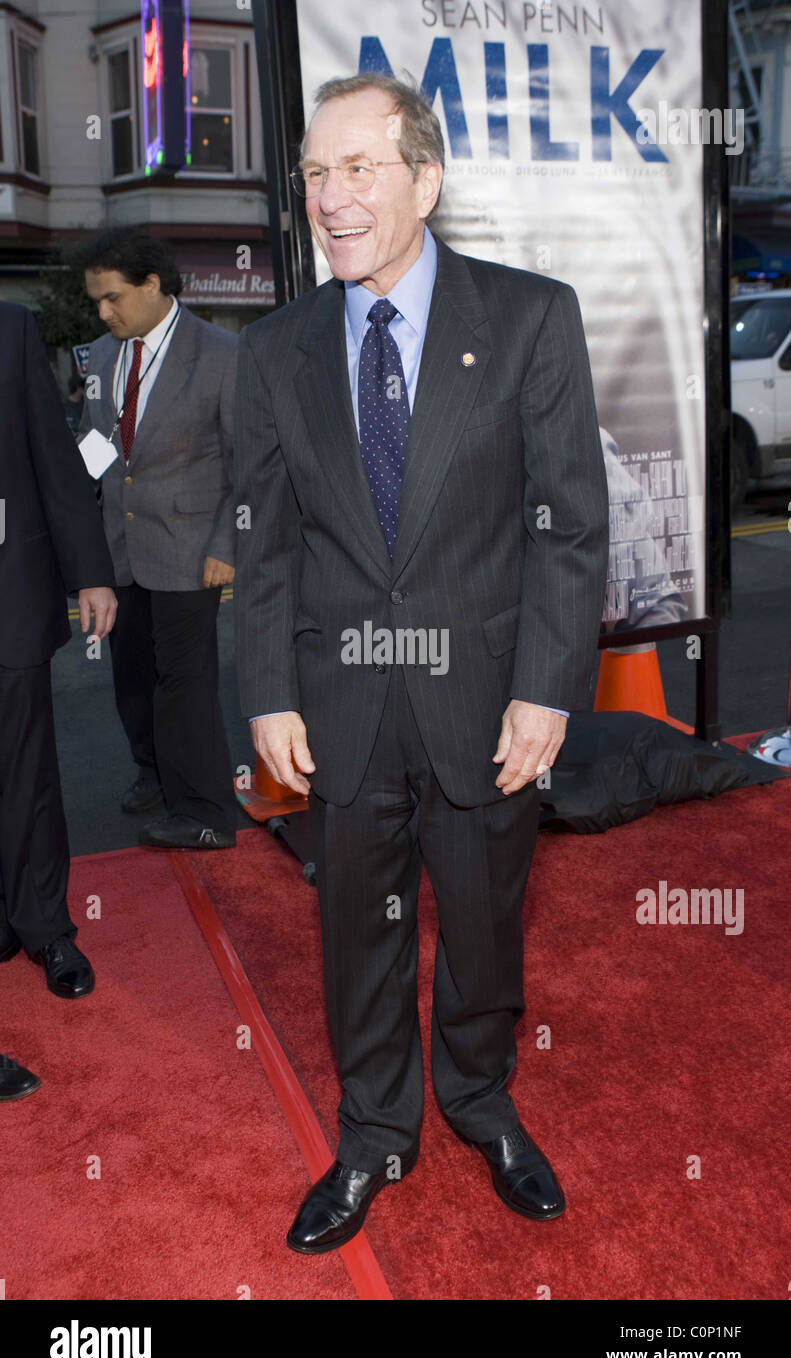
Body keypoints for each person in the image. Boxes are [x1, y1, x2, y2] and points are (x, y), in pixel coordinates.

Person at [233, 74, 609, 1253]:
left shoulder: (529, 317)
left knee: (487, 927)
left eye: (357, 169)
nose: (329, 199)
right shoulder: (274, 349)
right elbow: (261, 545)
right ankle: (371, 1132)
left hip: (486, 700)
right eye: (312, 172)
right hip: (338, 700)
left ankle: (481, 1103)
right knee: (357, 930)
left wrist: (546, 683)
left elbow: (569, 522)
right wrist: (266, 691)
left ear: (423, 180)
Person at [73, 227, 239, 849]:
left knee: (185, 683)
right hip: (120, 551)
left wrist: (230, 543)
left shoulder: (223, 354)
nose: (103, 312)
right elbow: (97, 451)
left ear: (152, 285)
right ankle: (154, 774)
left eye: (112, 297)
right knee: (131, 679)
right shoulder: (101, 357)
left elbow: (250, 461)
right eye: (96, 300)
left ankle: (204, 812)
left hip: (194, 552)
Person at [0, 302, 116, 998]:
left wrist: (91, 572)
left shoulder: (11, 330)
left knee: (26, 771)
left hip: (8, 593)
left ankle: (45, 926)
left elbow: (53, 453)